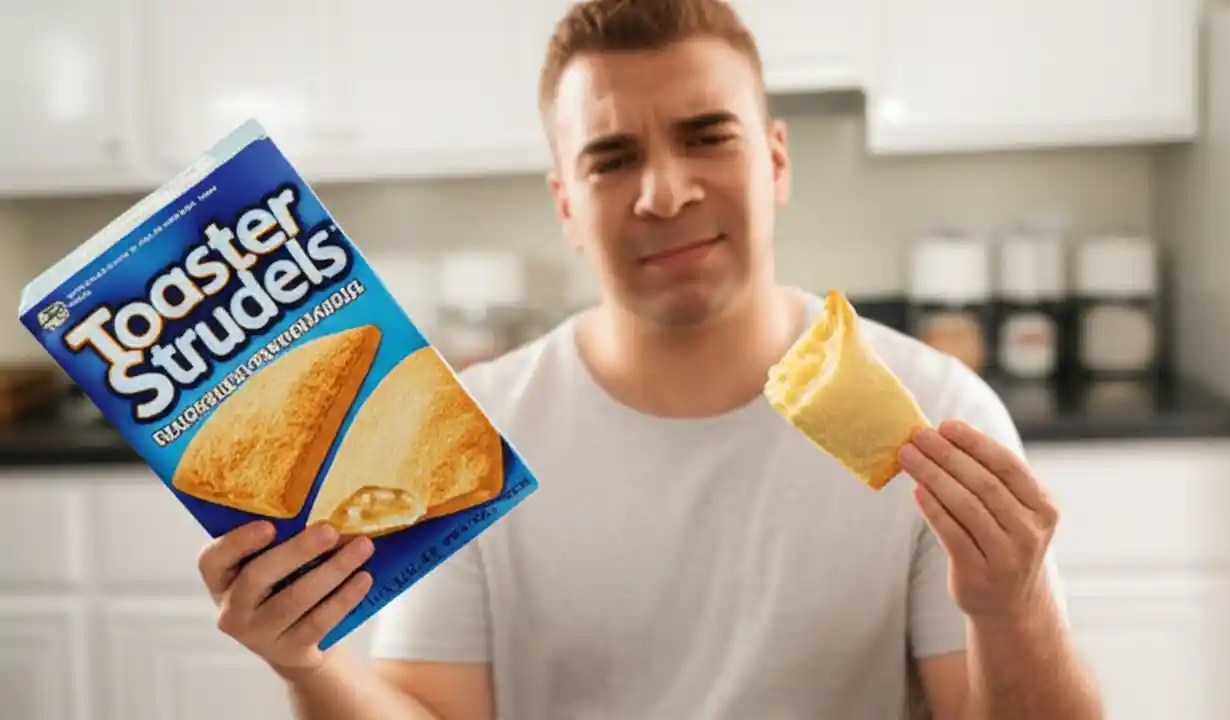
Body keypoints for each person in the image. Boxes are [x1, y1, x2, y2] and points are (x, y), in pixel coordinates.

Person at [196, 0, 1105, 717]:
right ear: (566, 203)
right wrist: (307, 666)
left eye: (708, 137)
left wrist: (1012, 607)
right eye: (611, 159)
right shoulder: (470, 437)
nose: (665, 193)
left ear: (776, 162)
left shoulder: (940, 414)